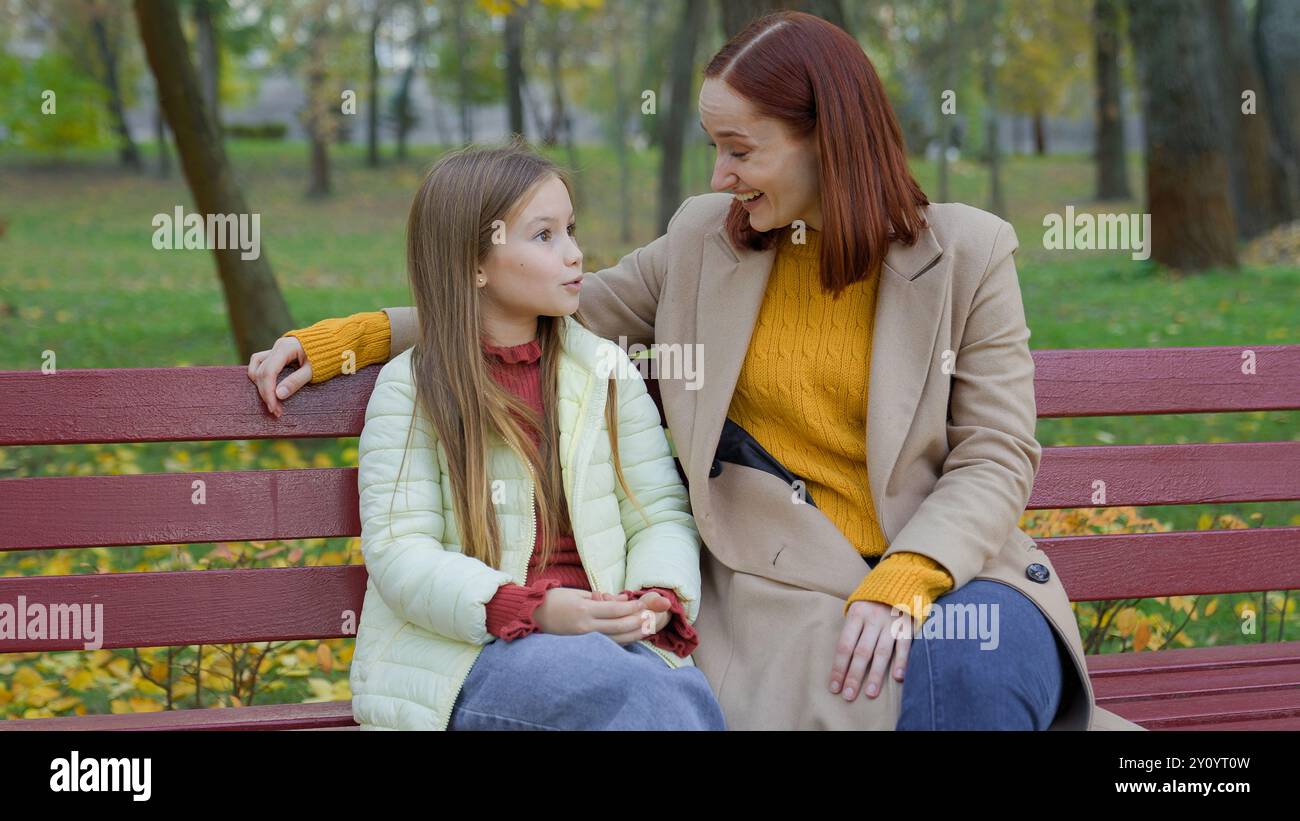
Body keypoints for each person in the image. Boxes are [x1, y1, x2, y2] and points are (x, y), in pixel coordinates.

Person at [250, 11, 1142, 731]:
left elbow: (995, 456)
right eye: (714, 146)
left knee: (974, 673)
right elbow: (554, 302)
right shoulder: (703, 242)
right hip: (777, 590)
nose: (721, 173)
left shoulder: (968, 253)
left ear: (827, 138)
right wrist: (358, 335)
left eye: (741, 149)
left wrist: (907, 576)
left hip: (952, 568)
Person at [341, 138, 725, 730]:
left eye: (571, 229)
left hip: (607, 645)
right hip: (469, 655)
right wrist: (530, 608)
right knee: (648, 702)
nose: (575, 254)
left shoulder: (604, 371)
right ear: (474, 262)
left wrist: (657, 595)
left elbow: (659, 514)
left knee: (680, 697)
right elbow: (401, 552)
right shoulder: (414, 388)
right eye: (544, 236)